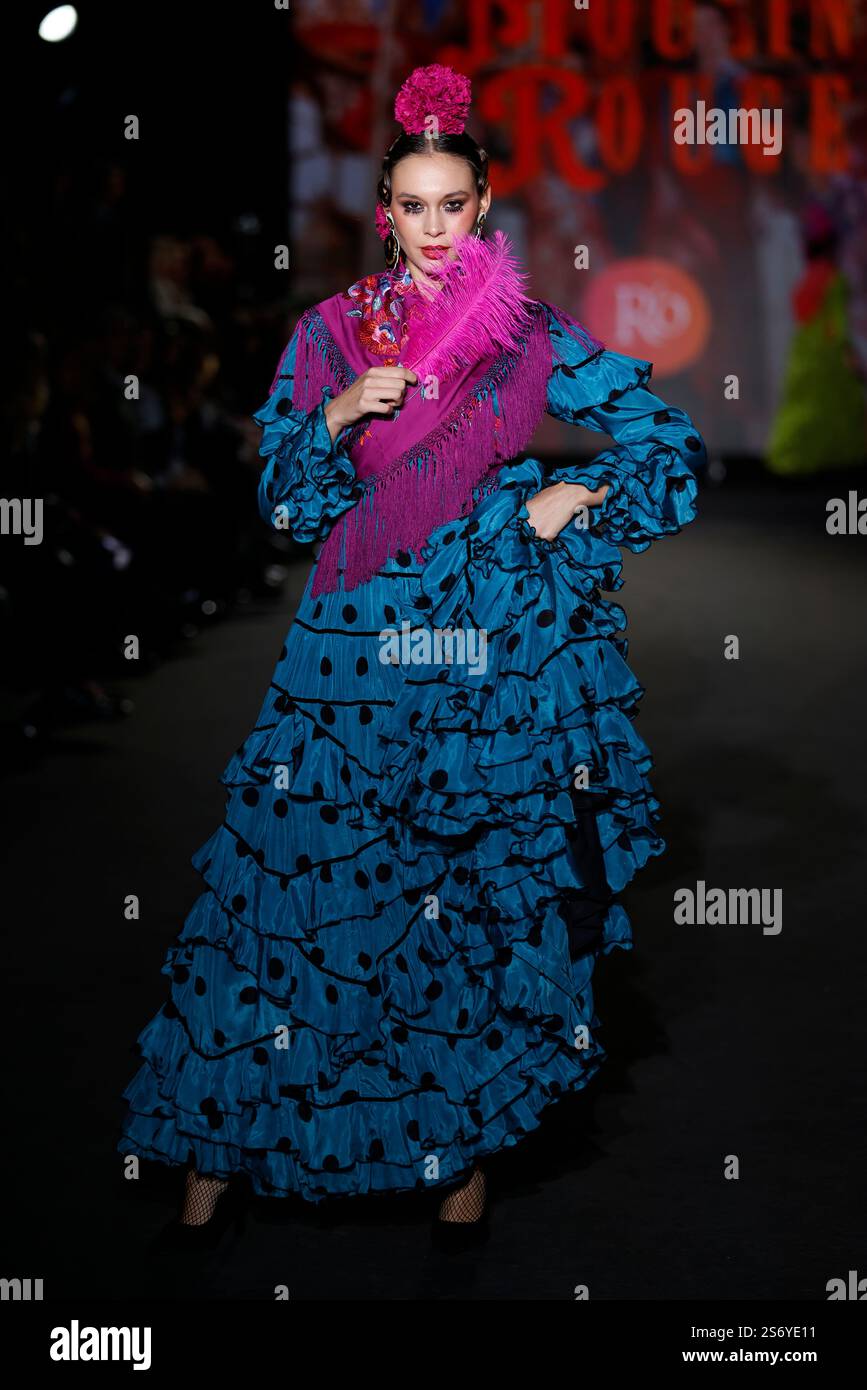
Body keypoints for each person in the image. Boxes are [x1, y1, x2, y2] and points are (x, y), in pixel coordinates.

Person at [117, 63, 705, 1256]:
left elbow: (670, 437)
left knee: (459, 904)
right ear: (385, 212)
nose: (434, 227)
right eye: (413, 207)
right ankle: (215, 1148)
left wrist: (576, 495)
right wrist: (332, 420)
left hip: (480, 656)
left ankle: (460, 1155)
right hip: (345, 653)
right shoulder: (329, 334)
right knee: (285, 889)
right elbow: (285, 499)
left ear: (484, 204)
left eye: (454, 204)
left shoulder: (530, 336)